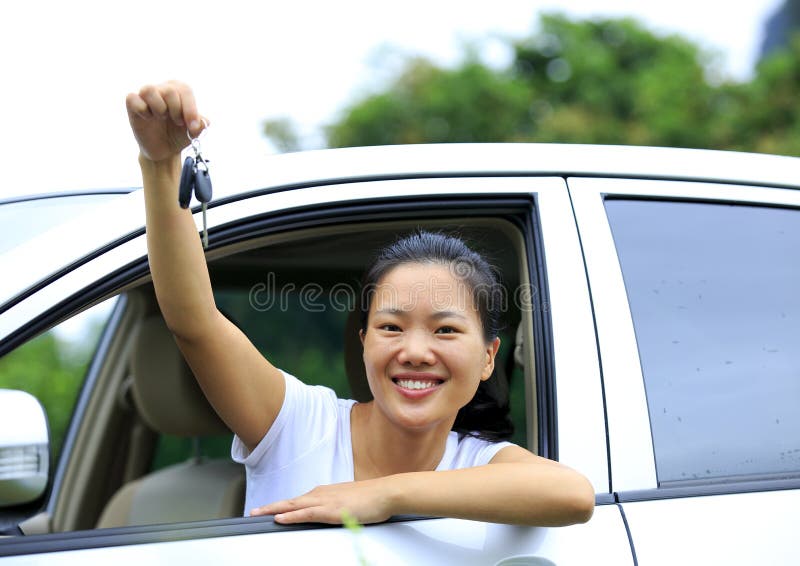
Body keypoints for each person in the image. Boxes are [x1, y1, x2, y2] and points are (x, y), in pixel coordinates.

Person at [125, 80, 595, 527]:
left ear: (488, 357)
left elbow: (573, 495)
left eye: (445, 330)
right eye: (391, 327)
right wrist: (160, 164)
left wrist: (386, 494)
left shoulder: (480, 463)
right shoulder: (296, 426)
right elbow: (195, 321)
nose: (414, 350)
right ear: (364, 341)